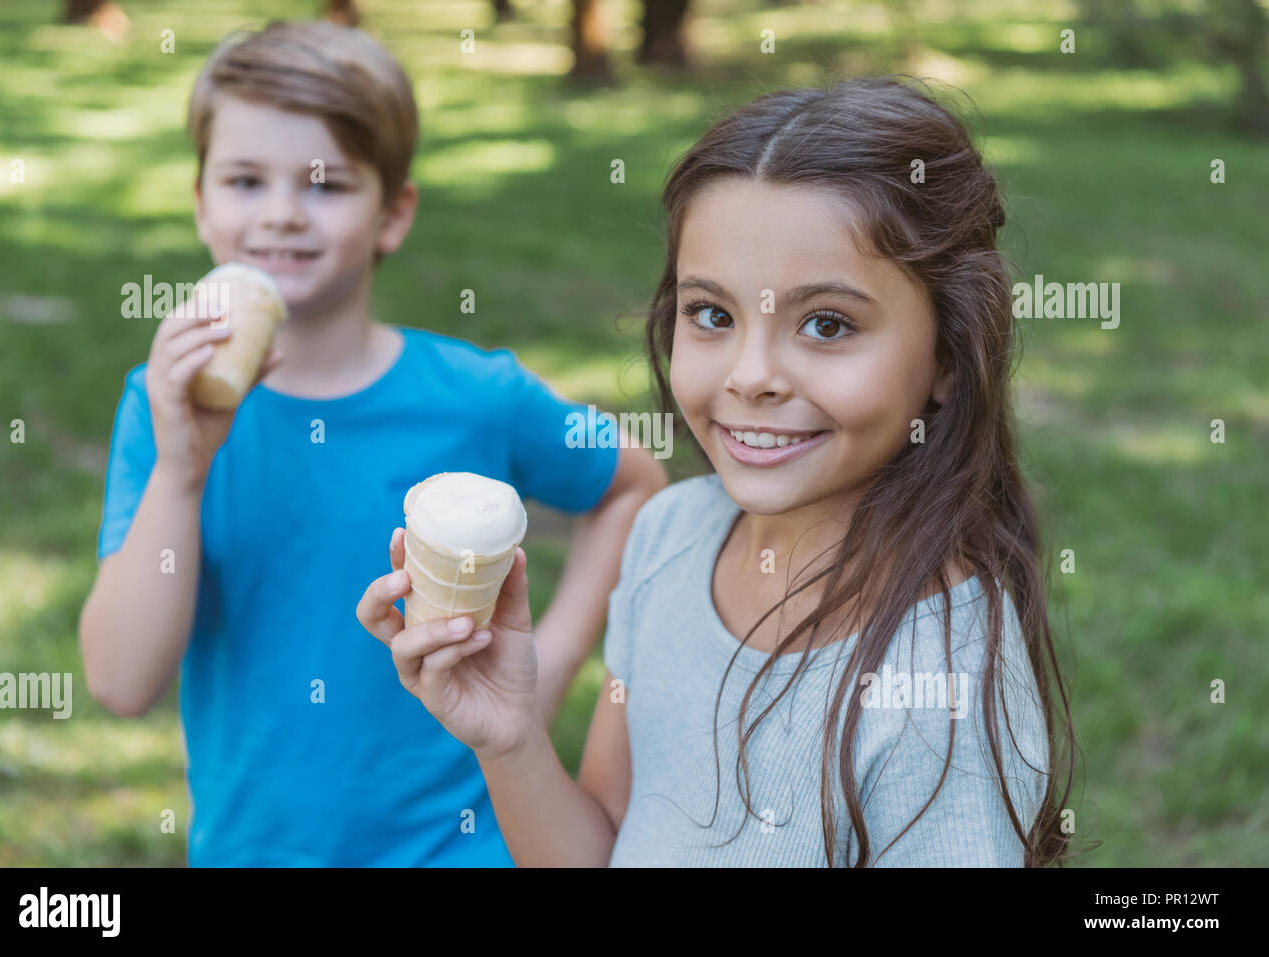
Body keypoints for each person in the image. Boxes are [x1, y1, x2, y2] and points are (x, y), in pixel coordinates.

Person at [357, 76, 1079, 867]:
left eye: (827, 323)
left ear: (947, 353)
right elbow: (603, 842)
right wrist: (510, 738)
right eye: (713, 314)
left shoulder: (943, 687)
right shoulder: (668, 533)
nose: (751, 374)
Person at [79, 20, 666, 867]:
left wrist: (556, 658)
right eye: (245, 180)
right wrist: (181, 465)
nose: (281, 212)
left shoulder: (478, 395)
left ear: (393, 214)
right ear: (201, 202)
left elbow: (633, 482)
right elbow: (119, 681)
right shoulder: (161, 408)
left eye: (325, 185)